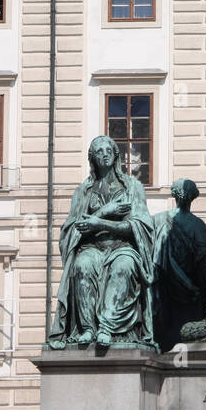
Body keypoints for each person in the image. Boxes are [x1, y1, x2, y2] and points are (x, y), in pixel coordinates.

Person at [48, 135, 156, 350]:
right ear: (92, 159)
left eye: (108, 150)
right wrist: (105, 212)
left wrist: (100, 224)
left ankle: (106, 327)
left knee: (124, 266)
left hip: (122, 247)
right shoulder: (83, 192)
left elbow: (140, 226)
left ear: (116, 155)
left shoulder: (133, 187)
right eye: (99, 151)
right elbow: (72, 229)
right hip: (92, 248)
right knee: (81, 266)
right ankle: (88, 328)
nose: (104, 154)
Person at [152, 180, 206, 351]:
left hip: (164, 282)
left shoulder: (158, 219)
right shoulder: (198, 224)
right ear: (193, 197)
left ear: (174, 195)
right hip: (190, 284)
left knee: (167, 328)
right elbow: (200, 258)